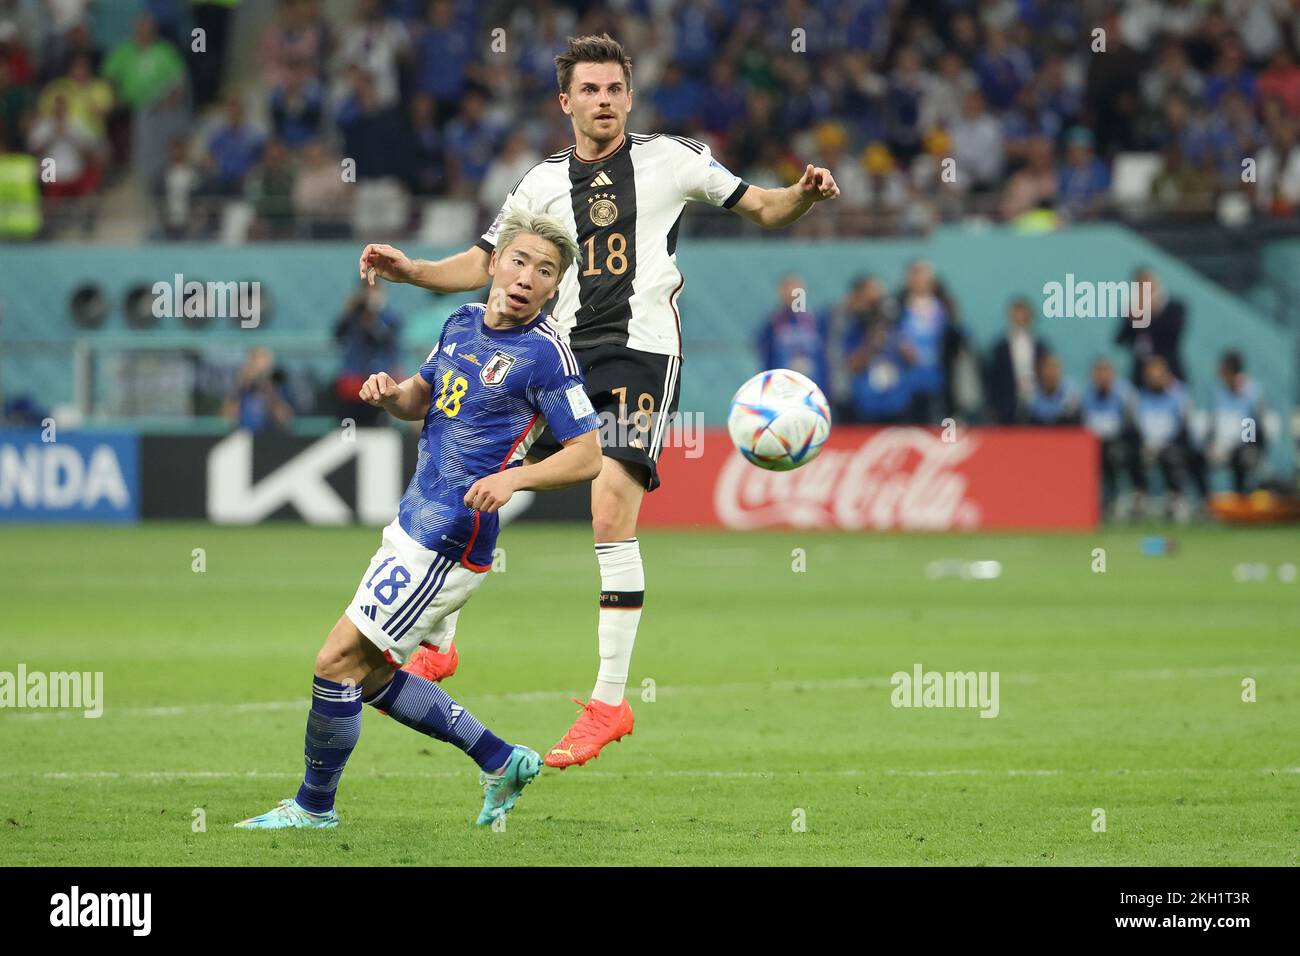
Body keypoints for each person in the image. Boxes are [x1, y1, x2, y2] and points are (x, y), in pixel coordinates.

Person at [357, 33, 839, 770]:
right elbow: (487, 265)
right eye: (590, 90)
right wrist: (413, 268)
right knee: (471, 483)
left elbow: (764, 207)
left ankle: (610, 701)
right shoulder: (539, 184)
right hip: (562, 355)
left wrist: (802, 195)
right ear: (566, 101)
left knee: (609, 504)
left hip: (642, 354)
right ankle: (440, 643)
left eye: (615, 89)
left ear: (630, 97)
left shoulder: (674, 160)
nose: (604, 101)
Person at [235, 210, 602, 830]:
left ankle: (313, 807)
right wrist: (389, 394)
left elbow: (588, 455)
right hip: (414, 520)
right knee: (374, 674)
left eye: (545, 271)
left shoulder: (547, 356)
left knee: (335, 663)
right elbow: (424, 397)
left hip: (449, 538)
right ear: (493, 263)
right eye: (518, 261)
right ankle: (499, 758)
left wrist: (513, 477)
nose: (526, 278)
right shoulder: (460, 322)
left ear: (554, 288)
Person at [1135, 355, 1207, 522]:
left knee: (1173, 456)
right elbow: (1137, 427)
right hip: (1147, 446)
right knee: (1127, 453)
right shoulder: (1141, 397)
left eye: (1158, 374)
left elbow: (1185, 428)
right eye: (1150, 375)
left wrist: (1163, 444)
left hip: (1172, 446)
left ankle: (1177, 499)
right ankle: (1139, 498)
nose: (1154, 379)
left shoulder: (1178, 396)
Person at [1081, 358, 1144, 519]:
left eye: (1106, 372)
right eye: (1098, 372)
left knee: (1118, 454)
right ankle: (1102, 500)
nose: (1102, 377)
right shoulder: (1087, 397)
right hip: (1093, 446)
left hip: (1119, 443)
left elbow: (1132, 426)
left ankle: (1130, 497)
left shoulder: (1124, 395)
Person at [756, 273, 832, 395]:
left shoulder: (816, 321)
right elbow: (767, 358)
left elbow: (826, 356)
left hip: (813, 387)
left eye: (796, 290)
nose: (792, 294)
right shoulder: (773, 324)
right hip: (784, 389)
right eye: (787, 289)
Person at [1207, 350, 1267, 493]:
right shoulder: (1219, 393)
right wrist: (1214, 445)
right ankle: (1206, 499)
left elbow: (1253, 427)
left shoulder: (1252, 392)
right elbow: (1215, 424)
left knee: (1244, 458)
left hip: (1246, 447)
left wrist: (1233, 447)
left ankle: (1244, 495)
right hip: (1222, 446)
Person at [986, 297, 1049, 424]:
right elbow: (994, 379)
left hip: (1036, 403)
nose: (1020, 319)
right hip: (1008, 405)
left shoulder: (1040, 346)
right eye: (1016, 315)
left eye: (1023, 315)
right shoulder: (1000, 348)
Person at [1025, 353, 1081, 425]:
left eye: (1054, 368)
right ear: (1041, 371)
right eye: (1047, 368)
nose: (1051, 372)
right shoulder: (1031, 392)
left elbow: (1068, 414)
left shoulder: (1071, 391)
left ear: (1060, 370)